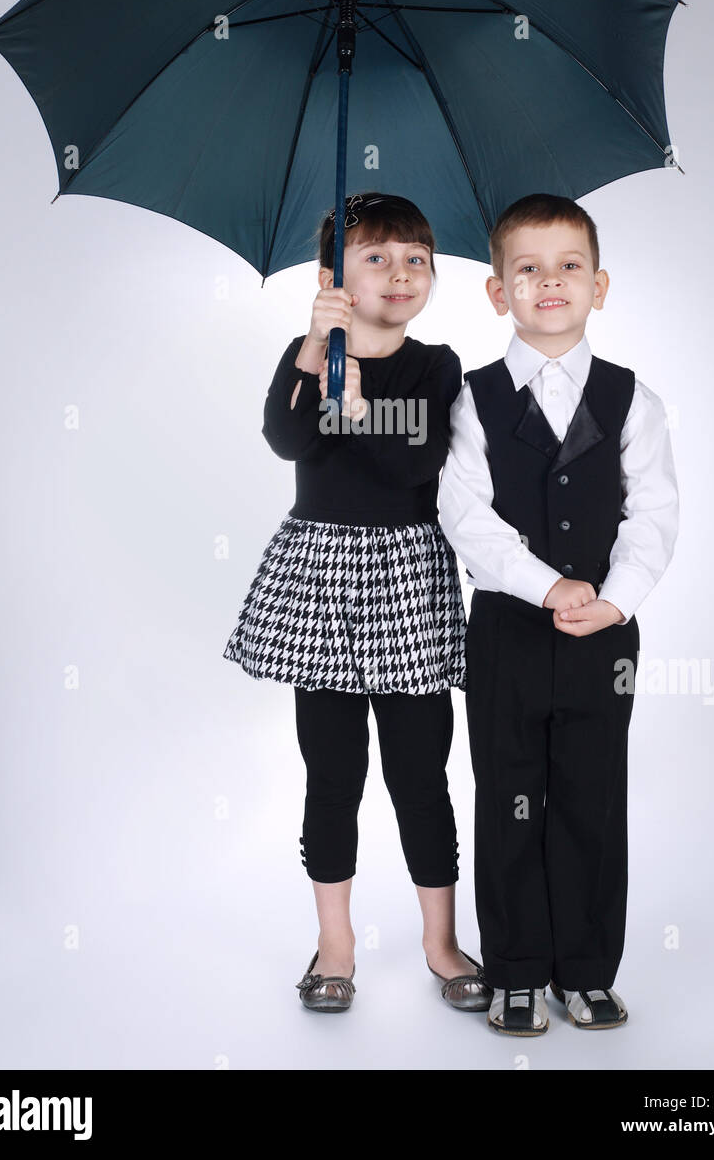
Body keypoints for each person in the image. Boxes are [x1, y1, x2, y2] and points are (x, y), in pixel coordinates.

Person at [224, 192, 492, 1015]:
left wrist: (362, 409)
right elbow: (285, 438)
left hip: (407, 575)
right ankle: (334, 943)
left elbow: (419, 460)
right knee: (332, 773)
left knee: (420, 773)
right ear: (330, 278)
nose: (400, 273)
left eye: (416, 259)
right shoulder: (308, 355)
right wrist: (315, 349)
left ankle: (440, 941)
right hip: (322, 578)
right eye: (375, 257)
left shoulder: (435, 365)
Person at [439, 193, 679, 1036]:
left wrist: (614, 599)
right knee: (507, 797)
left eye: (568, 266)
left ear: (598, 286)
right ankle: (513, 969)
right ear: (497, 292)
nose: (550, 281)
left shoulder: (631, 400)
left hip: (602, 640)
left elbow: (653, 514)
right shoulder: (472, 400)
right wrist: (544, 585)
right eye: (528, 269)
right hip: (505, 633)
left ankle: (584, 970)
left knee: (590, 798)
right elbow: (464, 513)